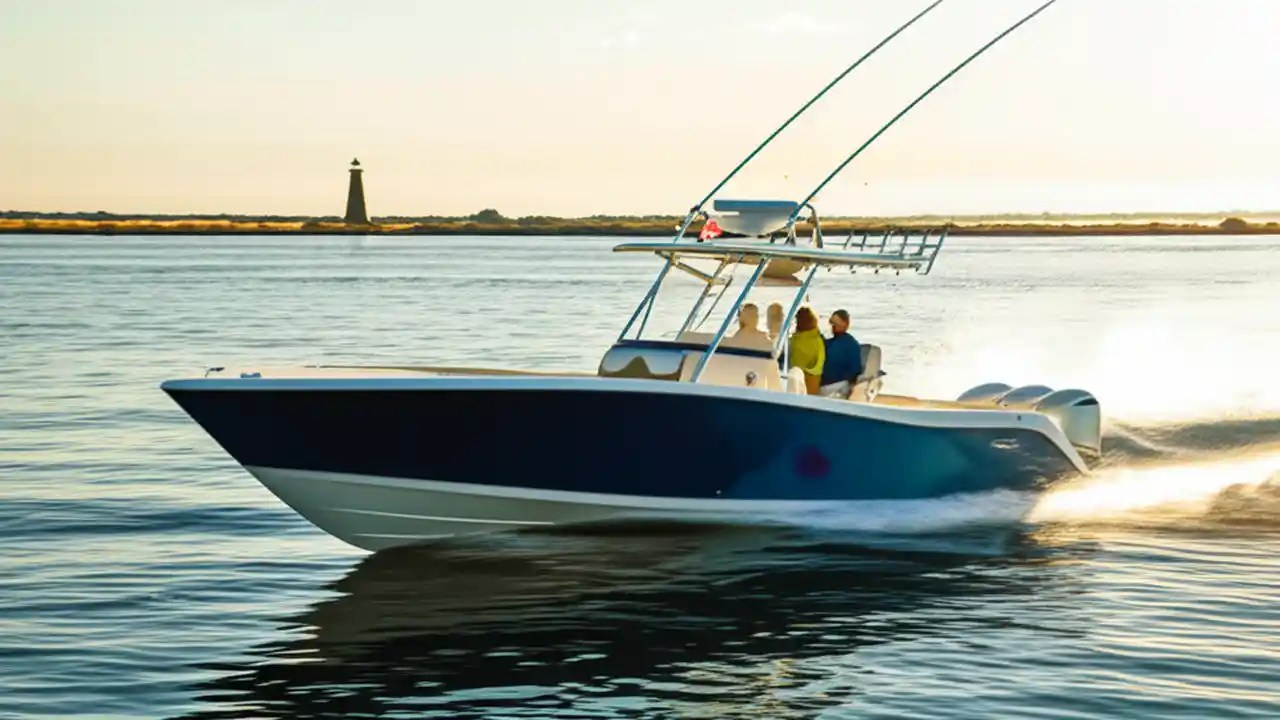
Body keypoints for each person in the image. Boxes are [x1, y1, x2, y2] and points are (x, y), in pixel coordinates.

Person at [819, 308, 864, 397]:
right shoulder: (850, 343)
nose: (832, 326)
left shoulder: (848, 345)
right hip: (837, 384)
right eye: (831, 323)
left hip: (835, 386)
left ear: (846, 324)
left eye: (835, 324)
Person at [787, 306, 825, 395]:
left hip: (795, 379)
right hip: (812, 382)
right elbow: (819, 364)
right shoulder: (817, 340)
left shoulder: (794, 340)